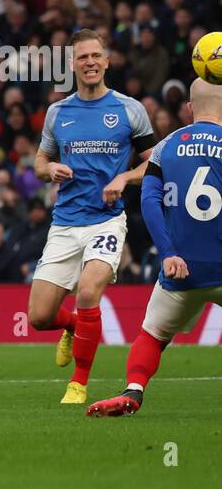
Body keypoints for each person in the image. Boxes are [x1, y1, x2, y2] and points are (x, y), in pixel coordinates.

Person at [27, 29, 156, 406]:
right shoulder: (58, 112)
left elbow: (152, 162)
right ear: (73, 64)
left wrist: (124, 177)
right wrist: (50, 169)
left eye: (96, 56)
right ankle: (70, 326)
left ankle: (78, 383)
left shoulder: (130, 109)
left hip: (106, 220)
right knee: (38, 317)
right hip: (66, 222)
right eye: (83, 57)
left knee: (87, 291)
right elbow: (38, 161)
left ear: (107, 61)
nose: (90, 63)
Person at [89, 79, 222, 417]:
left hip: (182, 268)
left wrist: (167, 253)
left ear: (190, 108)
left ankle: (132, 391)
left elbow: (149, 201)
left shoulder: (167, 146)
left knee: (153, 334)